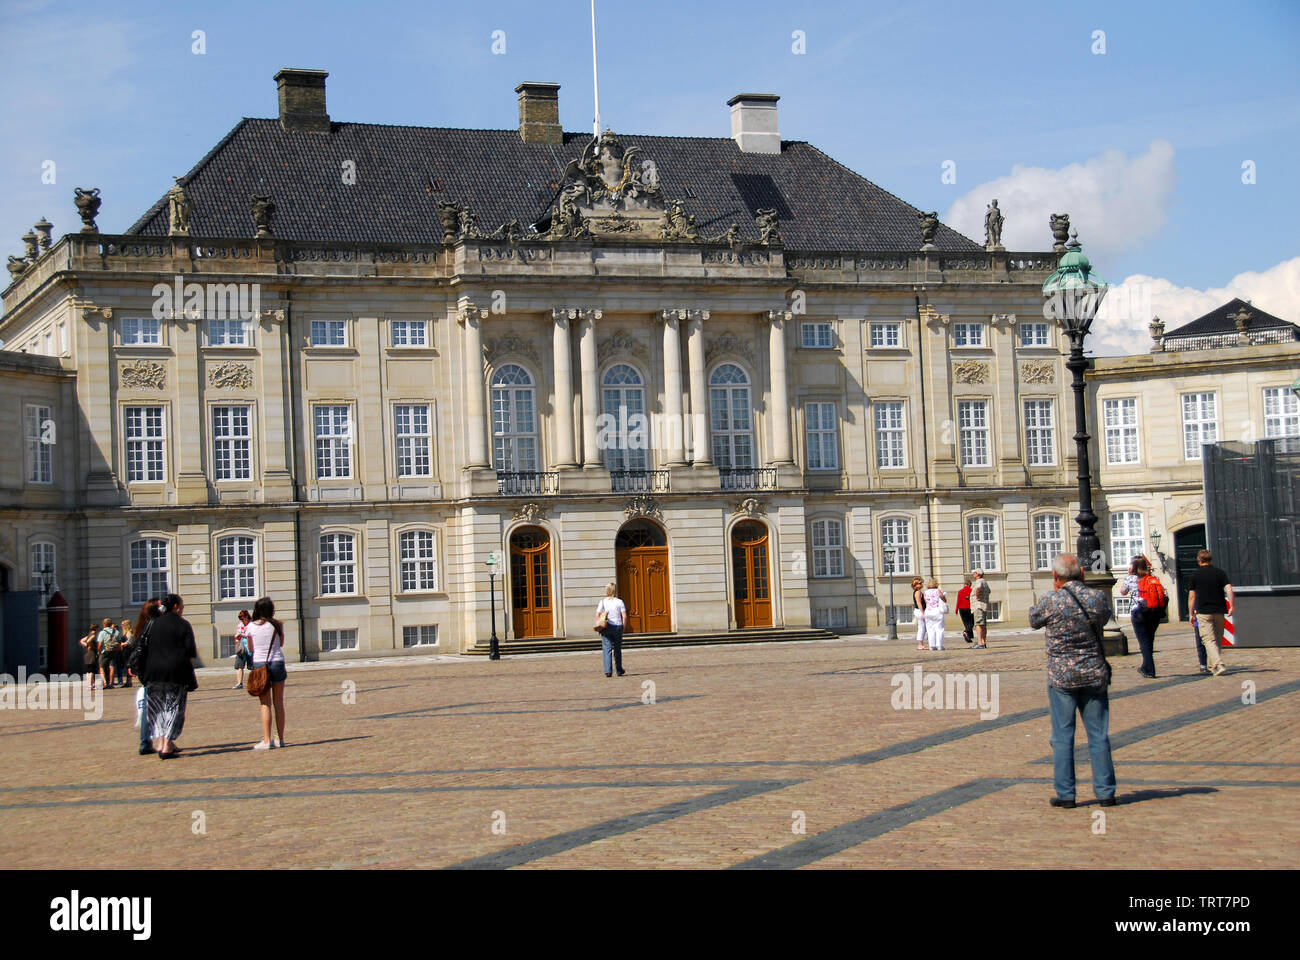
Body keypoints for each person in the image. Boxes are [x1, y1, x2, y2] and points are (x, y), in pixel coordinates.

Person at [1029, 553, 1117, 809]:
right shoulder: (1096, 598)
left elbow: (1033, 620)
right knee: (1098, 735)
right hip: (1093, 673)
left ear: (1056, 576)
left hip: (1062, 677)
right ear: (1082, 574)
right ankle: (1106, 792)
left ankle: (1066, 794)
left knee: (1062, 736)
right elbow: (1104, 617)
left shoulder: (1051, 600)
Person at [138, 594, 198, 759]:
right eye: (182, 605)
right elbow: (190, 652)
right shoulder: (183, 624)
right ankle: (167, 746)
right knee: (174, 708)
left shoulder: (153, 623)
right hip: (175, 671)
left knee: (158, 708)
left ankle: (161, 743)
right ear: (176, 607)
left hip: (154, 672)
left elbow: (144, 647)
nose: (182, 608)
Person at [247, 597, 288, 749]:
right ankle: (280, 739)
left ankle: (266, 740)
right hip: (277, 661)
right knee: (279, 703)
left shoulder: (251, 626)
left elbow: (251, 648)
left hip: (260, 663)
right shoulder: (277, 625)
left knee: (265, 703)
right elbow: (281, 643)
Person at [1187, 549, 1233, 676]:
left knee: (1208, 640)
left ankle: (1218, 663)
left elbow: (1192, 596)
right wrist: (1231, 605)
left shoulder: (1195, 575)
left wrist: (1190, 614)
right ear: (1210, 559)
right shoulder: (1220, 573)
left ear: (1199, 560)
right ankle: (1213, 667)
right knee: (1217, 640)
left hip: (1203, 612)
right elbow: (1229, 588)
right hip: (1219, 611)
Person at [129, 598, 163, 755]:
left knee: (147, 708)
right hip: (154, 670)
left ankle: (146, 742)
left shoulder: (141, 626)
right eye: (160, 606)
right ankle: (162, 742)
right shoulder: (154, 625)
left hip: (145, 672)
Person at [1120, 555, 1161, 678]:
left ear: (1133, 567)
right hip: (1154, 611)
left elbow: (1123, 592)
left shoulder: (1130, 578)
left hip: (1138, 611)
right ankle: (1145, 666)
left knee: (1143, 641)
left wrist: (1128, 575)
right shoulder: (1152, 578)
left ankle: (1150, 670)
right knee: (1149, 639)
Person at [595, 582, 628, 678]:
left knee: (607, 649)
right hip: (618, 626)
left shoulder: (603, 602)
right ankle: (619, 670)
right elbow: (624, 616)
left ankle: (608, 671)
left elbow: (597, 614)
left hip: (606, 627)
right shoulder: (619, 602)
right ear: (615, 590)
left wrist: (600, 623)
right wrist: (623, 628)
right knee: (617, 649)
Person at [923, 577, 947, 651]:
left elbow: (926, 601)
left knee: (930, 629)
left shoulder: (926, 592)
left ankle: (932, 645)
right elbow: (943, 598)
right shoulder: (937, 591)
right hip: (937, 611)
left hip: (928, 611)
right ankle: (939, 645)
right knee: (939, 628)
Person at [233, 610, 253, 689]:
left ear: (247, 617)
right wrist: (237, 637)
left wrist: (241, 634)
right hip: (242, 647)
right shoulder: (240, 624)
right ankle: (239, 683)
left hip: (251, 647)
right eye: (240, 619)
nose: (241, 620)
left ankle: (255, 682)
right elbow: (238, 634)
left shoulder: (252, 624)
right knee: (239, 665)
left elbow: (251, 635)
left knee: (253, 667)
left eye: (242, 618)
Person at [970, 569, 990, 648]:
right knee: (983, 624)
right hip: (983, 605)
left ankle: (980, 642)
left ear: (978, 574)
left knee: (978, 624)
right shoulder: (984, 581)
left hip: (978, 605)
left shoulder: (979, 581)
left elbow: (978, 588)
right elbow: (989, 591)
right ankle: (983, 641)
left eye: (974, 573)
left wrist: (977, 596)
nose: (973, 574)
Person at [96, 618, 119, 688]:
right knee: (112, 667)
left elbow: (100, 644)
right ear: (111, 624)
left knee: (101, 667)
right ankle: (111, 683)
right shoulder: (116, 632)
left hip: (104, 651)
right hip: (113, 651)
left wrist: (99, 651)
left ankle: (105, 683)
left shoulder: (102, 632)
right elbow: (119, 642)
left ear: (104, 624)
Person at [79, 624, 100, 690]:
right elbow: (88, 641)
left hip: (88, 654)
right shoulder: (93, 635)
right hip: (92, 654)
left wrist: (86, 645)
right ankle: (91, 685)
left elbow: (82, 640)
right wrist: (90, 646)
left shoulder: (89, 635)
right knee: (92, 670)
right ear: (96, 629)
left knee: (88, 671)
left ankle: (89, 685)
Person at [957, 575, 975, 644]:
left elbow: (958, 601)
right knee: (971, 623)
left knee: (966, 623)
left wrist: (956, 610)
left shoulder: (960, 591)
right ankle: (966, 632)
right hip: (969, 608)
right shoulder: (971, 590)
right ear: (969, 584)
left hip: (961, 609)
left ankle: (969, 637)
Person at [911, 577, 927, 651]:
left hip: (918, 611)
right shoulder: (917, 592)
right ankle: (920, 644)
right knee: (922, 627)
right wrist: (923, 613)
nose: (921, 584)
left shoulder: (918, 592)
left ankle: (921, 644)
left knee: (922, 627)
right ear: (916, 585)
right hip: (919, 611)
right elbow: (919, 603)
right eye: (920, 583)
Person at [118, 621, 135, 688]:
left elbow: (129, 642)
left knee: (128, 666)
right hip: (125, 651)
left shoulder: (129, 633)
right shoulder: (125, 633)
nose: (121, 626)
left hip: (128, 651)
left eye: (122, 625)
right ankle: (128, 681)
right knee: (127, 666)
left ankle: (129, 682)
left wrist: (122, 644)